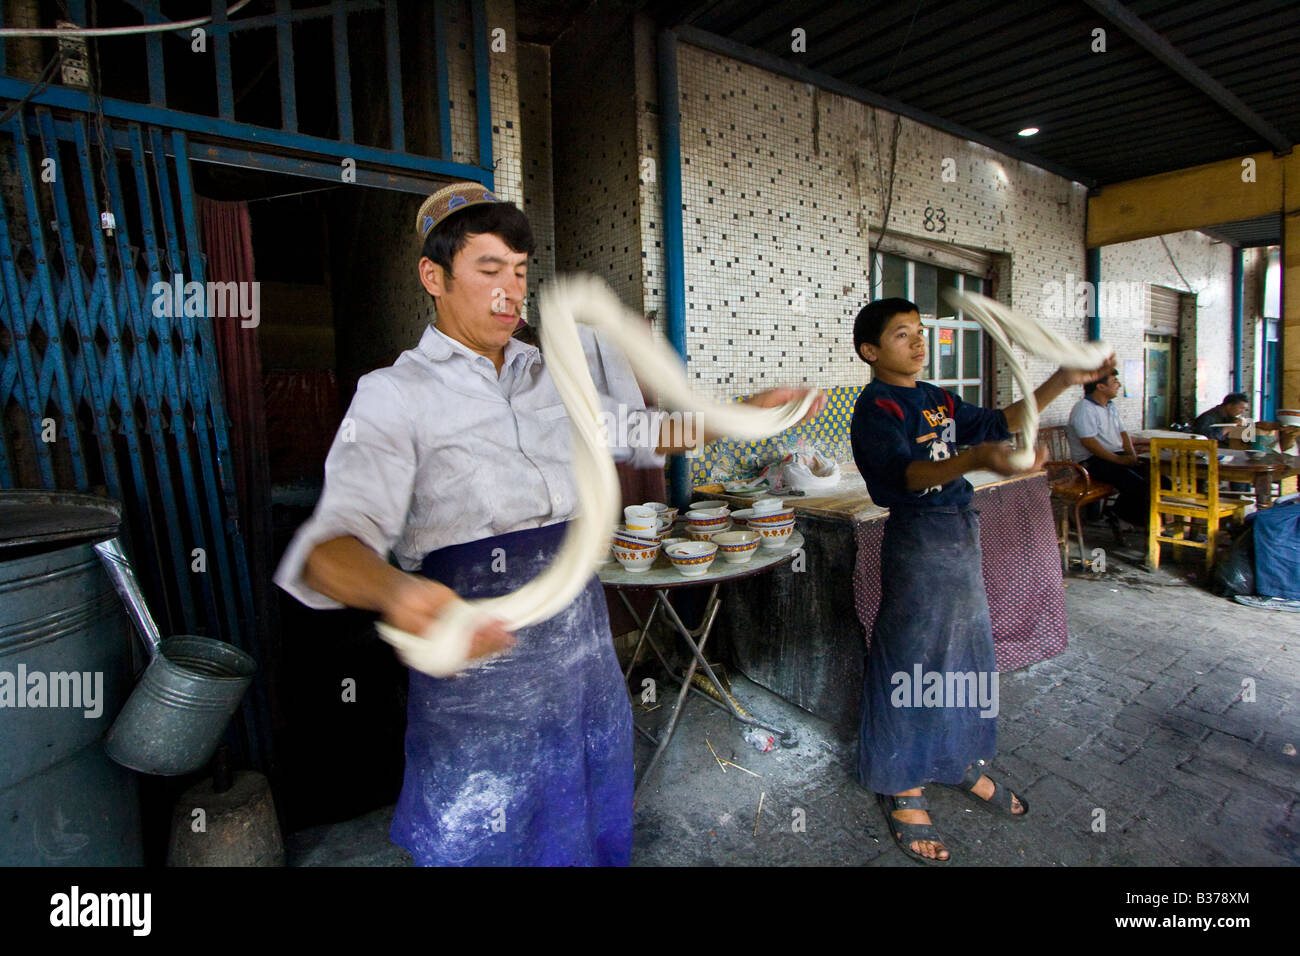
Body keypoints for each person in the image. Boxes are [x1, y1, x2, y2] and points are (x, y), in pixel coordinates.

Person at [274, 181, 824, 866]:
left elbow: (641, 431)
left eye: (521, 271)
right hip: (479, 658)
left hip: (580, 650)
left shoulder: (551, 375)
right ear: (433, 276)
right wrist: (398, 594)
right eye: (487, 269)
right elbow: (330, 550)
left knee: (587, 817)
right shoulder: (394, 396)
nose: (510, 291)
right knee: (492, 832)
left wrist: (745, 410)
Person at [849, 297, 1113, 864]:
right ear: (871, 351)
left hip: (960, 533)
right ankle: (902, 782)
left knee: (966, 654)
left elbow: (1002, 422)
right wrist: (973, 461)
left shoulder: (937, 398)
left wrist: (1061, 379)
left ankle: (956, 759)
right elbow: (904, 475)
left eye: (920, 331)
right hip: (918, 537)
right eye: (902, 335)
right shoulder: (877, 408)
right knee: (912, 659)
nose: (919, 342)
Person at [1066, 368, 1147, 530]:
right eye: (1114, 381)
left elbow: (1123, 433)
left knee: (1159, 480)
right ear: (1100, 387)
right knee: (1139, 484)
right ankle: (1118, 516)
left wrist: (1131, 454)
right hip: (1091, 462)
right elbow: (1089, 442)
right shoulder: (1084, 408)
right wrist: (1120, 460)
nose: (1119, 385)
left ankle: (1122, 516)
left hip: (1113, 457)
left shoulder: (1110, 406)